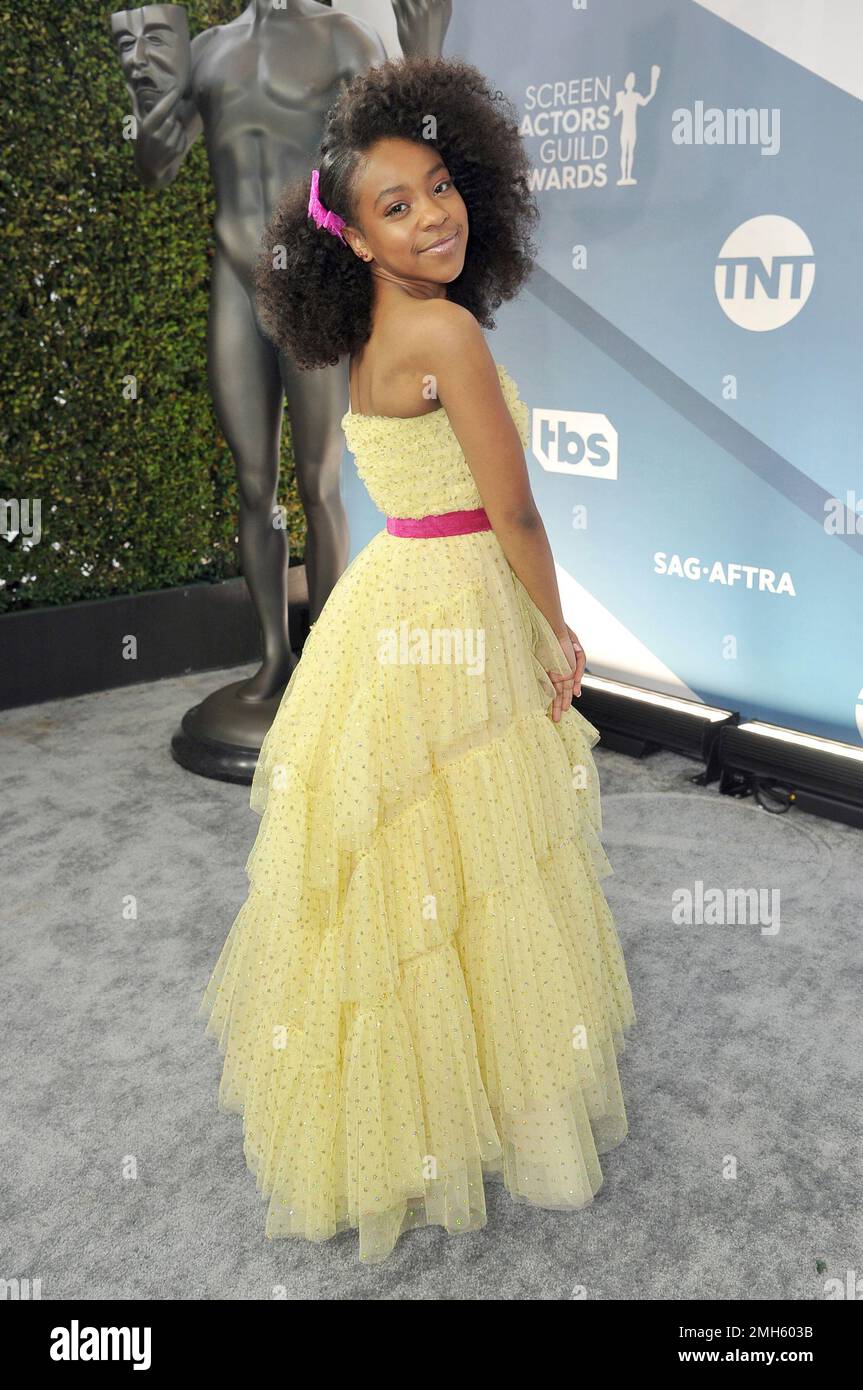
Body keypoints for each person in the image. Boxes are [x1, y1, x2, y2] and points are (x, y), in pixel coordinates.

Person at [198, 55, 637, 1264]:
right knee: (483, 854)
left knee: (408, 857)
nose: (434, 212)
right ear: (355, 237)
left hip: (388, 603)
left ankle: (426, 1101)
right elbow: (518, 517)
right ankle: (494, 1099)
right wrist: (554, 635)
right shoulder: (445, 331)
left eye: (441, 184)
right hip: (458, 599)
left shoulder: (371, 332)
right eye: (398, 204)